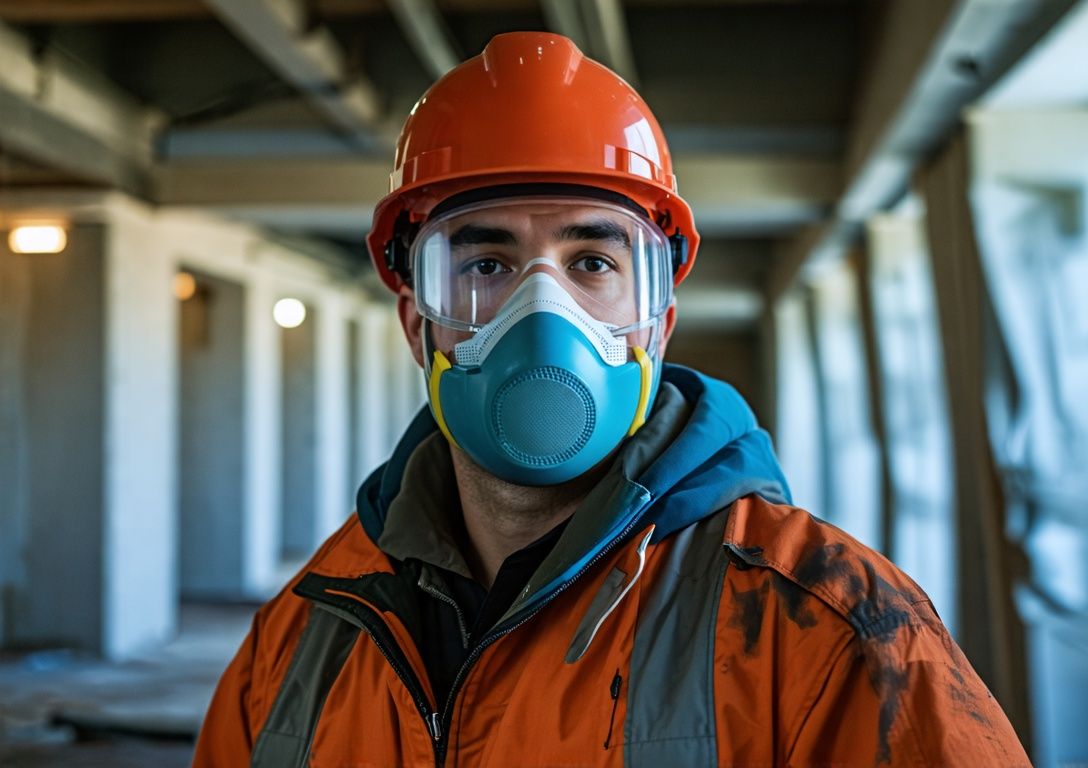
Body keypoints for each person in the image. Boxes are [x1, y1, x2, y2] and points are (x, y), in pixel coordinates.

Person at [193, 31, 1030, 768]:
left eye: (593, 263)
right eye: (485, 265)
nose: (542, 311)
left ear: (657, 323)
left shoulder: (829, 629)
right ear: (419, 324)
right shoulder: (307, 636)